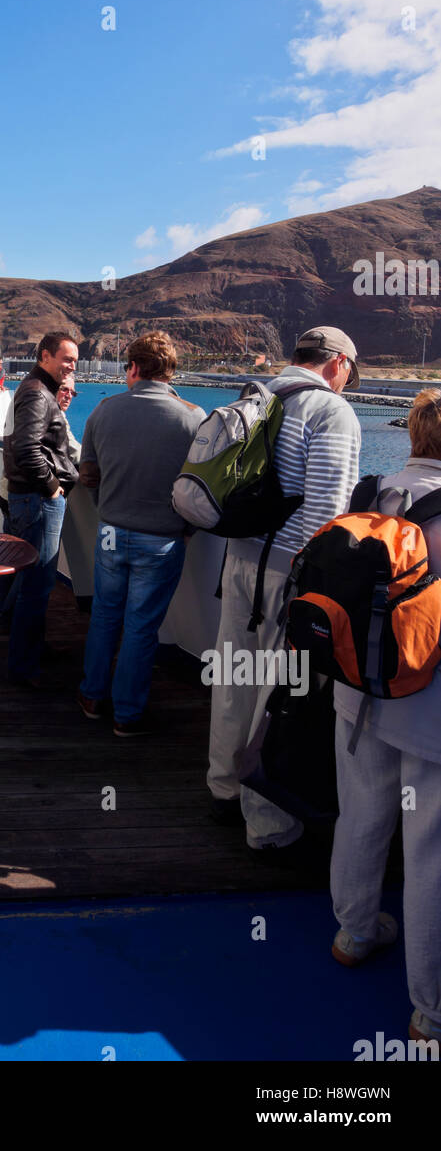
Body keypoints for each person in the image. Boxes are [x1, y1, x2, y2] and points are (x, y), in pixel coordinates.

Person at [207, 324, 362, 854]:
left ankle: (223, 788)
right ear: (338, 363)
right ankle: (267, 824)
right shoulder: (331, 411)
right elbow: (329, 512)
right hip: (286, 574)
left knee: (232, 677)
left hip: (238, 563)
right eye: (350, 373)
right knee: (278, 692)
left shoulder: (262, 394)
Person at [328, 390, 441, 1048]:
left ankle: (353, 931)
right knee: (428, 849)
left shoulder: (372, 491)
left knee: (362, 812)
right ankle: (428, 1008)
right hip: (427, 711)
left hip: (358, 693)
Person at [77, 332, 204, 735]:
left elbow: (88, 476)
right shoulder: (194, 418)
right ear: (170, 371)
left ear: (132, 368)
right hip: (163, 539)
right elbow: (201, 489)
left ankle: (93, 696)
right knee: (141, 627)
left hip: (111, 531)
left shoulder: (102, 411)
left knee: (103, 616)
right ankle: (127, 716)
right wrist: (186, 530)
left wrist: (107, 509)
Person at [3, 332, 80, 688]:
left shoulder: (37, 388)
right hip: (37, 500)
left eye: (75, 361)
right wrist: (52, 487)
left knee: (27, 578)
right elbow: (26, 449)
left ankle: (23, 647)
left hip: (27, 498)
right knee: (38, 583)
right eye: (66, 359)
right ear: (45, 356)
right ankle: (23, 667)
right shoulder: (37, 392)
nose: (71, 366)